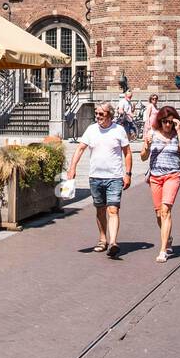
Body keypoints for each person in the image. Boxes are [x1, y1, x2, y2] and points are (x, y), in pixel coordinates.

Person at [66, 103, 132, 259]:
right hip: (95, 177)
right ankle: (103, 239)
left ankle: (113, 243)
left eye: (101, 114)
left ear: (110, 115)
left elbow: (127, 153)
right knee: (100, 210)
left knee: (113, 209)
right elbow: (80, 148)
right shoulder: (91, 130)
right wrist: (72, 167)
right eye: (96, 113)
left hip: (114, 177)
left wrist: (128, 173)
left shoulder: (119, 130)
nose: (98, 116)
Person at [140, 106, 180, 262]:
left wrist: (179, 130)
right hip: (155, 176)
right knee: (159, 213)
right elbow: (143, 157)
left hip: (172, 175)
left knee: (166, 210)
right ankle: (167, 238)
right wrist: (147, 146)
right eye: (165, 122)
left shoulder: (177, 135)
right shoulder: (152, 134)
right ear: (159, 121)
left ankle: (163, 250)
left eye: (170, 122)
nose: (167, 125)